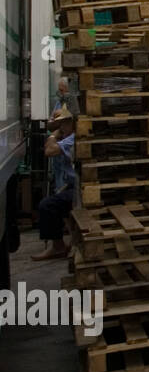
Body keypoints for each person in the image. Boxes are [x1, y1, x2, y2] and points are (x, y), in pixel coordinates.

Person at [34, 108, 76, 262]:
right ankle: (62, 243)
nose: (61, 127)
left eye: (64, 123)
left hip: (78, 188)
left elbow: (49, 151)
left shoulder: (73, 140)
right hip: (67, 185)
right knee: (56, 203)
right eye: (60, 124)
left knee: (47, 205)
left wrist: (53, 135)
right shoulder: (66, 138)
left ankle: (57, 246)